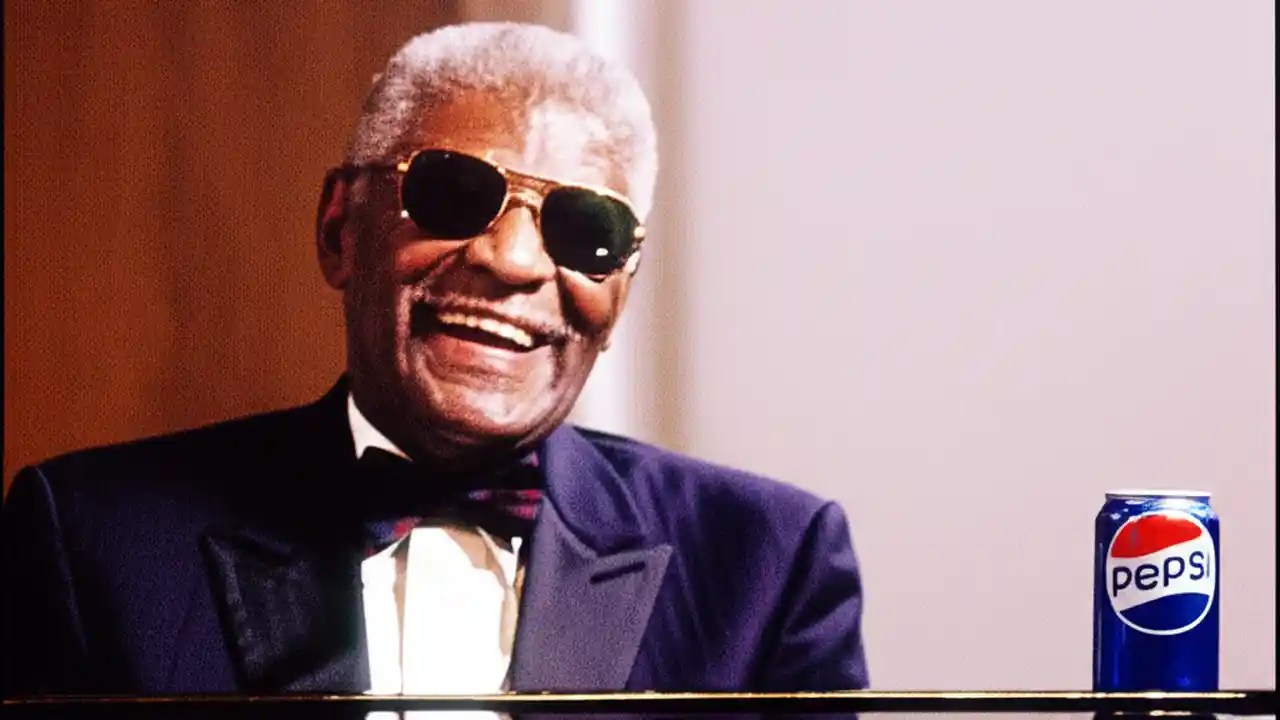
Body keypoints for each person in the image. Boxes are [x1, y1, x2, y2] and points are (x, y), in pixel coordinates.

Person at [3, 22, 868, 697]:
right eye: (453, 193)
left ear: (623, 290)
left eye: (585, 230)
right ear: (342, 229)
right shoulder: (93, 543)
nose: (514, 261)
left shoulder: (769, 560)